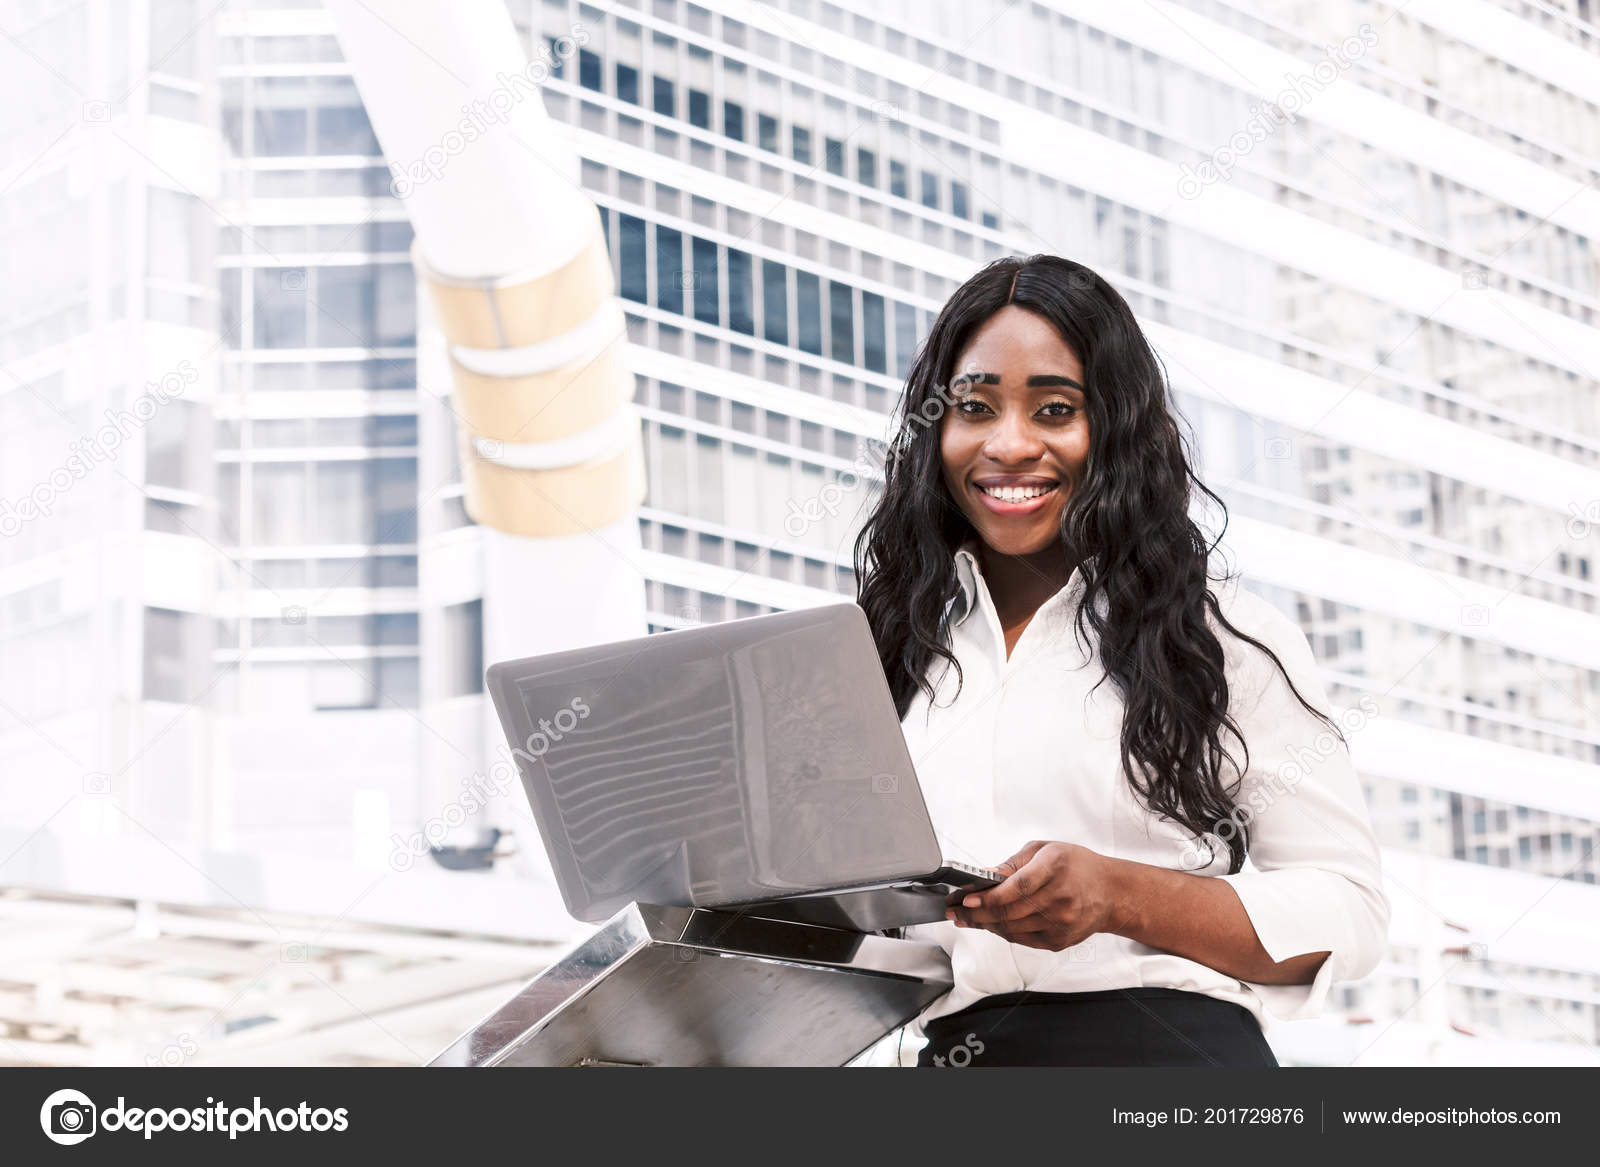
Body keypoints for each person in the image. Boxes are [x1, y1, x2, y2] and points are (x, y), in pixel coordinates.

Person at [852, 255, 1389, 1067]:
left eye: (1055, 409)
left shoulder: (1223, 638)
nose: (1008, 444)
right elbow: (890, 954)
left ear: (1117, 431)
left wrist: (1119, 895)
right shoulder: (893, 659)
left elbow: (1347, 908)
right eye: (975, 407)